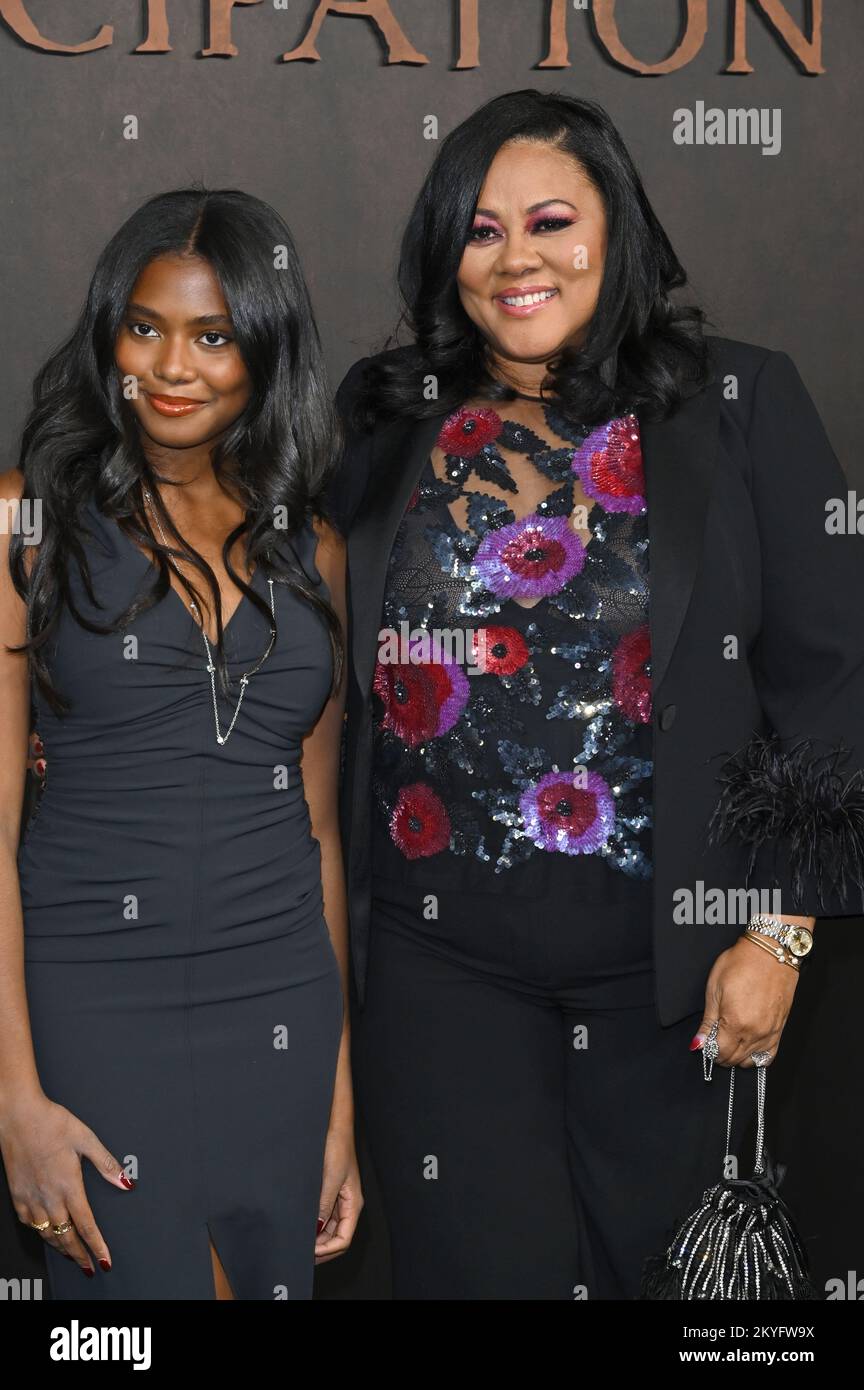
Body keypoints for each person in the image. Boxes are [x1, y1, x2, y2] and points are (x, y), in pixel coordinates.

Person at [333, 90, 864, 1299]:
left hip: (672, 977)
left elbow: (835, 680)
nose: (518, 257)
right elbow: (312, 645)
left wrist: (783, 927)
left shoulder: (738, 403)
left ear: (615, 229)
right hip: (440, 973)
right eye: (480, 229)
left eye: (553, 220)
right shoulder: (386, 416)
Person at [0, 188, 362, 1300]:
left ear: (263, 352)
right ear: (108, 329)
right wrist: (14, 1098)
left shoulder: (315, 552)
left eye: (213, 336)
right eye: (145, 326)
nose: (172, 365)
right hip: (92, 1005)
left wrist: (340, 1097)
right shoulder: (26, 524)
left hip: (279, 1010)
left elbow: (320, 832)